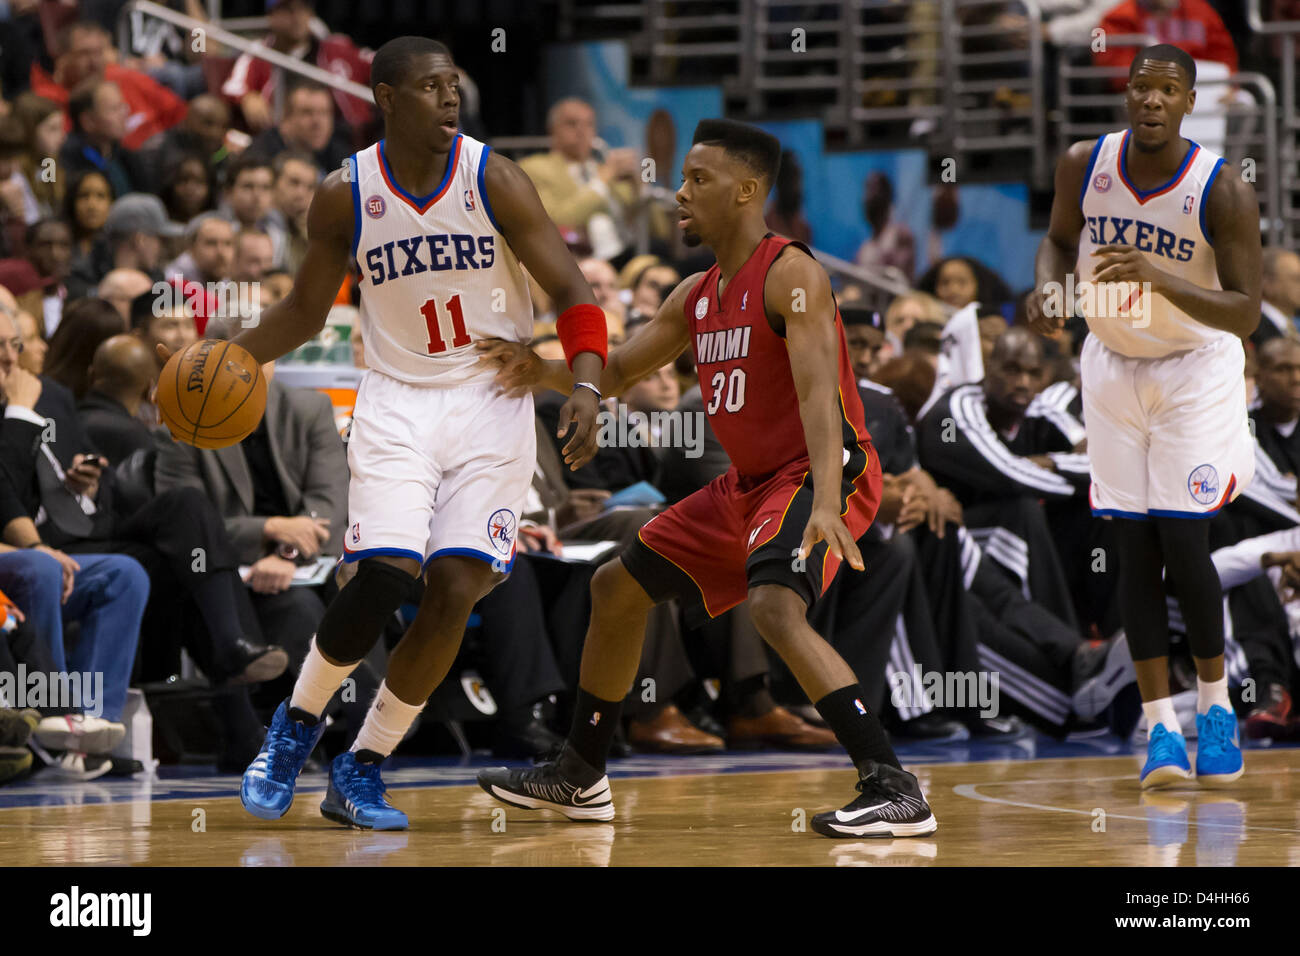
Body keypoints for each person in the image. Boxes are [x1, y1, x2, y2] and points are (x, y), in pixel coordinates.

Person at [181, 37, 605, 830]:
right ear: (385, 97)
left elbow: (573, 289)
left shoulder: (494, 177)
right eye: (433, 87)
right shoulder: (344, 195)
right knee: (383, 571)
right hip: (398, 400)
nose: (451, 100)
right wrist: (225, 359)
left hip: (491, 402)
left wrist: (582, 379)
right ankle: (295, 725)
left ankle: (363, 765)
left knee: (454, 589)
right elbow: (306, 312)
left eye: (456, 87)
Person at [477, 118, 938, 839]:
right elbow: (624, 368)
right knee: (615, 586)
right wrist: (543, 370)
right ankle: (580, 774)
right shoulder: (696, 293)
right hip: (752, 483)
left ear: (748, 190)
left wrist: (823, 501)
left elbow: (820, 395)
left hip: (823, 470)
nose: (680, 194)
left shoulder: (792, 274)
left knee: (775, 607)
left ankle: (893, 785)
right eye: (683, 179)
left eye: (699, 180)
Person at [1027, 44, 1261, 788]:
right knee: (1133, 547)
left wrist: (1159, 277)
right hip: (1113, 366)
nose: (1151, 101)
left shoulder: (1221, 190)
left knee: (1184, 541)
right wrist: (1049, 293)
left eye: (1167, 90)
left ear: (1190, 101)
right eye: (1139, 88)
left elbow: (1247, 312)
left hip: (1194, 368)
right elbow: (1060, 243)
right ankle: (1161, 729)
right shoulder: (1082, 163)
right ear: (1126, 96)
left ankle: (1216, 709)